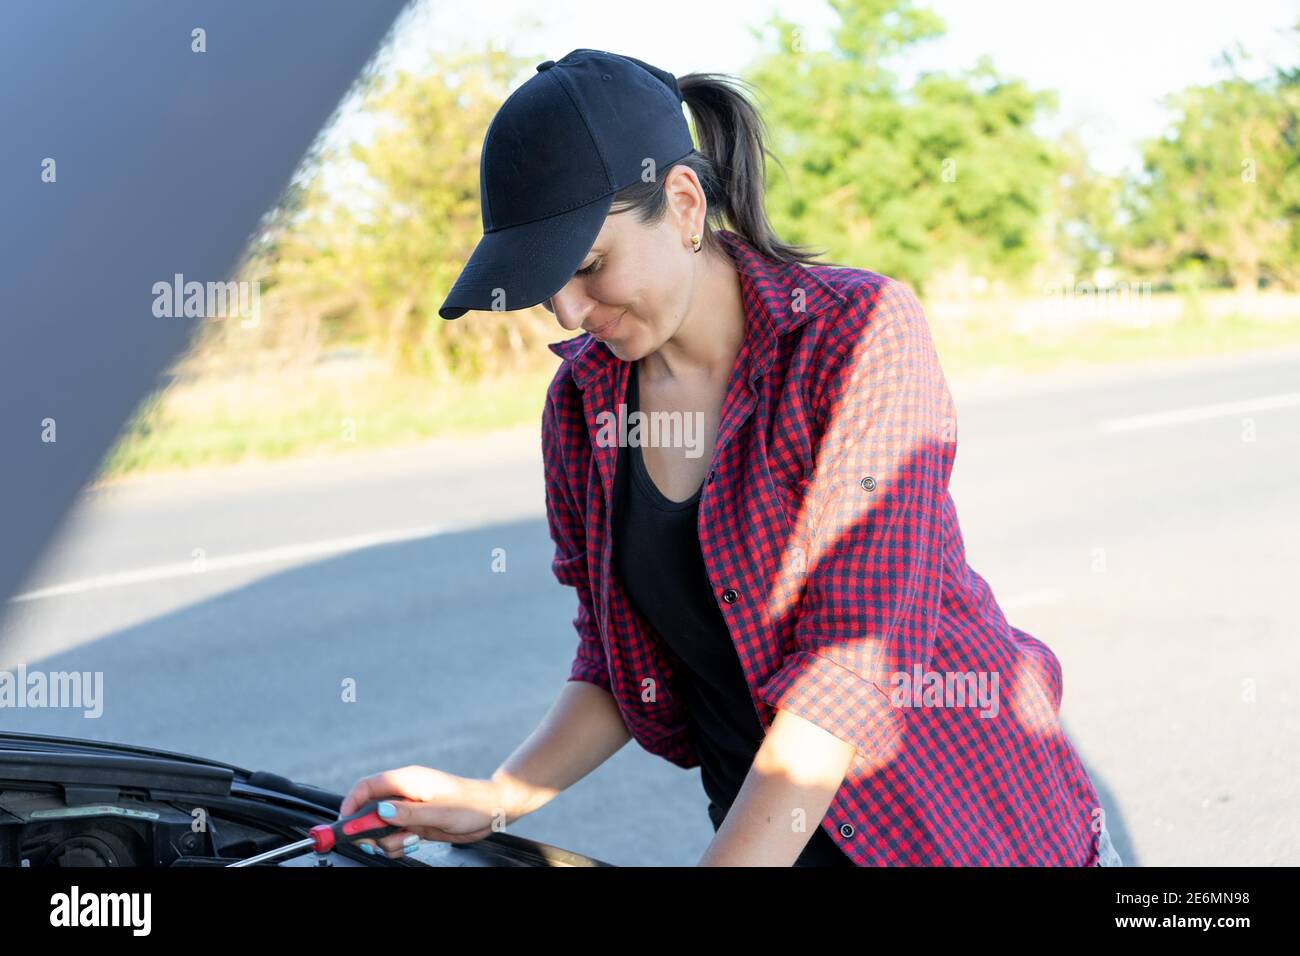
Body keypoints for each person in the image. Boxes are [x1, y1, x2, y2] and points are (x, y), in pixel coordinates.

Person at [340, 48, 1110, 866]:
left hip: (960, 831)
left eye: (590, 265)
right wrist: (498, 798)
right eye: (544, 281)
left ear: (681, 204)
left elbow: (850, 667)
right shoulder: (581, 407)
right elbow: (617, 660)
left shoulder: (855, 335)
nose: (567, 308)